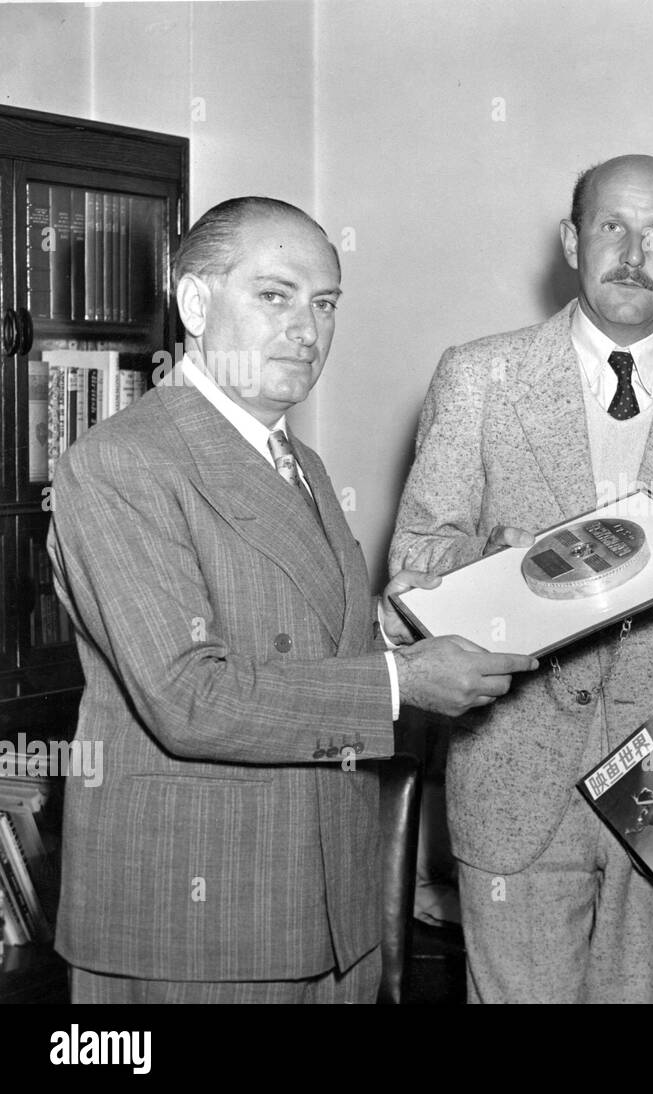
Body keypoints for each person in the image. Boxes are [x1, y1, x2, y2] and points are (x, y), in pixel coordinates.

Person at [47, 197, 535, 1003]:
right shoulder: (122, 463)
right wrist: (400, 682)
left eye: (325, 303)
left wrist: (395, 622)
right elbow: (189, 696)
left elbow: (291, 638)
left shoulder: (296, 459)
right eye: (275, 295)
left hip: (328, 911)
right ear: (195, 303)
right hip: (198, 927)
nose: (307, 330)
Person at [389, 154, 653, 1002]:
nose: (634, 253)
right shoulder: (478, 376)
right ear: (572, 240)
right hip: (511, 768)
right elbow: (415, 567)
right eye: (612, 226)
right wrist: (513, 562)